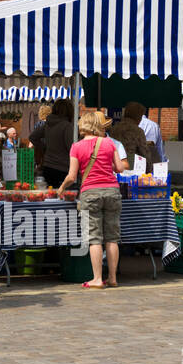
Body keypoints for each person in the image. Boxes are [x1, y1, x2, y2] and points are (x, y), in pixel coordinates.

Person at [59, 111, 126, 290]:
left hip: (90, 193)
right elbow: (120, 168)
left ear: (82, 126)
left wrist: (62, 187)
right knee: (112, 237)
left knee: (94, 238)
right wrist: (105, 165)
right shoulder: (109, 143)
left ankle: (97, 278)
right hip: (112, 191)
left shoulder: (76, 147)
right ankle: (112, 278)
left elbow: (72, 176)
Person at [110, 104, 154, 170]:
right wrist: (150, 170)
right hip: (130, 169)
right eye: (141, 116)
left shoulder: (113, 129)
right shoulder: (137, 131)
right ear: (137, 116)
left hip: (114, 166)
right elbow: (145, 154)